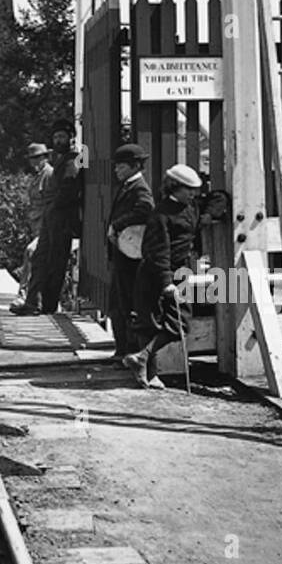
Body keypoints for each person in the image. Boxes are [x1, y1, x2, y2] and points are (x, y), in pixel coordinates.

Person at [123, 163, 202, 389]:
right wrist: (167, 283)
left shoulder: (191, 207)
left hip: (180, 272)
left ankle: (141, 357)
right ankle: (149, 374)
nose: (193, 193)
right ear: (174, 187)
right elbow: (159, 251)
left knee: (180, 324)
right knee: (149, 324)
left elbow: (212, 205)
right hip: (155, 275)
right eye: (188, 189)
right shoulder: (160, 214)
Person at [25, 118, 84, 316]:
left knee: (55, 261)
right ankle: (35, 302)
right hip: (52, 216)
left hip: (63, 218)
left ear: (71, 137)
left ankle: (47, 306)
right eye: (56, 137)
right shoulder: (61, 159)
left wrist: (55, 206)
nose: (58, 140)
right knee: (42, 257)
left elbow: (69, 189)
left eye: (62, 136)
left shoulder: (72, 160)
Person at [105, 143, 154, 361]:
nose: (116, 170)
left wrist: (118, 224)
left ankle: (128, 351)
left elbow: (145, 209)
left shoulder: (139, 188)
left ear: (134, 166)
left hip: (129, 258)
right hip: (121, 254)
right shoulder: (127, 186)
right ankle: (122, 349)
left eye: (121, 166)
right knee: (117, 302)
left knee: (125, 302)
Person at [10, 143, 53, 313]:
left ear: (45, 157)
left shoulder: (49, 175)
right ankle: (34, 300)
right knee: (35, 261)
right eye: (32, 158)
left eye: (38, 157)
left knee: (30, 252)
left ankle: (24, 297)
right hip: (36, 225)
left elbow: (52, 202)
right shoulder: (37, 176)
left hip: (46, 226)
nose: (34, 161)